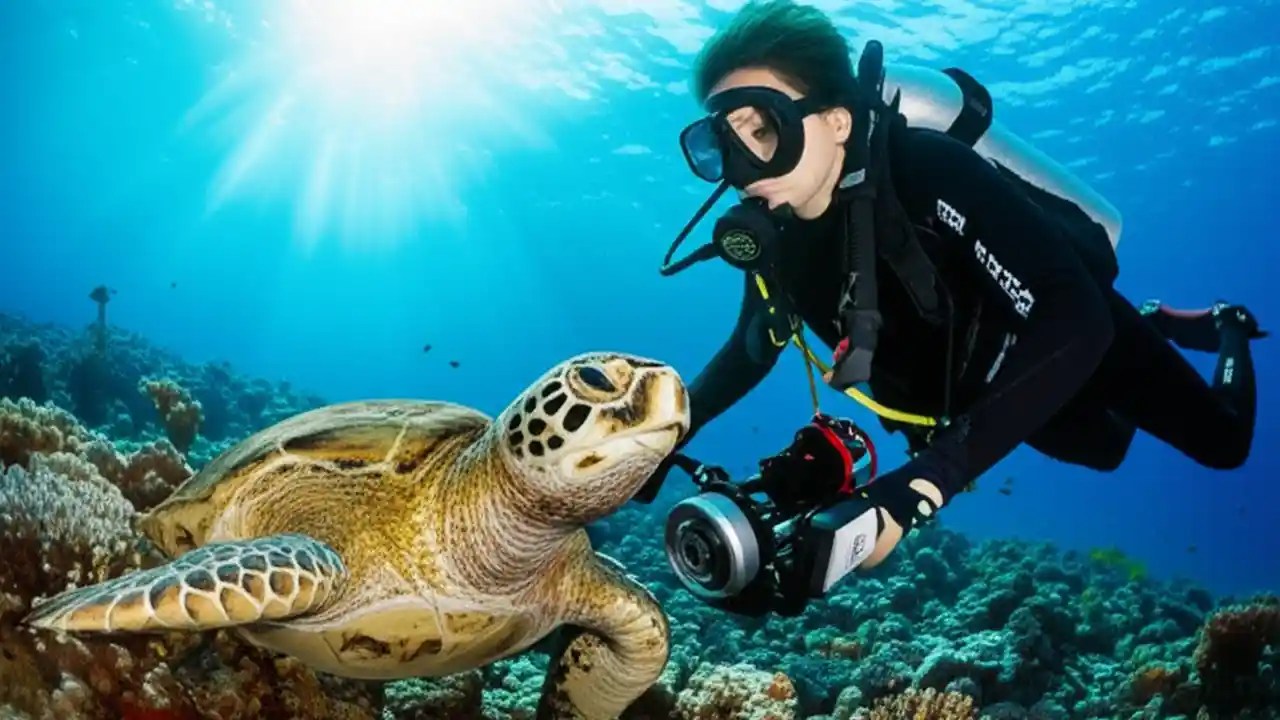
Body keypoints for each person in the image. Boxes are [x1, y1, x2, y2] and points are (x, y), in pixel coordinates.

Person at [636, 0, 1265, 572]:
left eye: (764, 130)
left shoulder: (926, 170)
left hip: (1063, 329)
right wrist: (665, 435)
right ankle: (1155, 324)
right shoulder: (777, 235)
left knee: (1224, 442)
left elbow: (1075, 317)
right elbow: (754, 346)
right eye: (720, 144)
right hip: (985, 391)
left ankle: (1224, 325)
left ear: (834, 121)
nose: (743, 169)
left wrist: (922, 486)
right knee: (1104, 449)